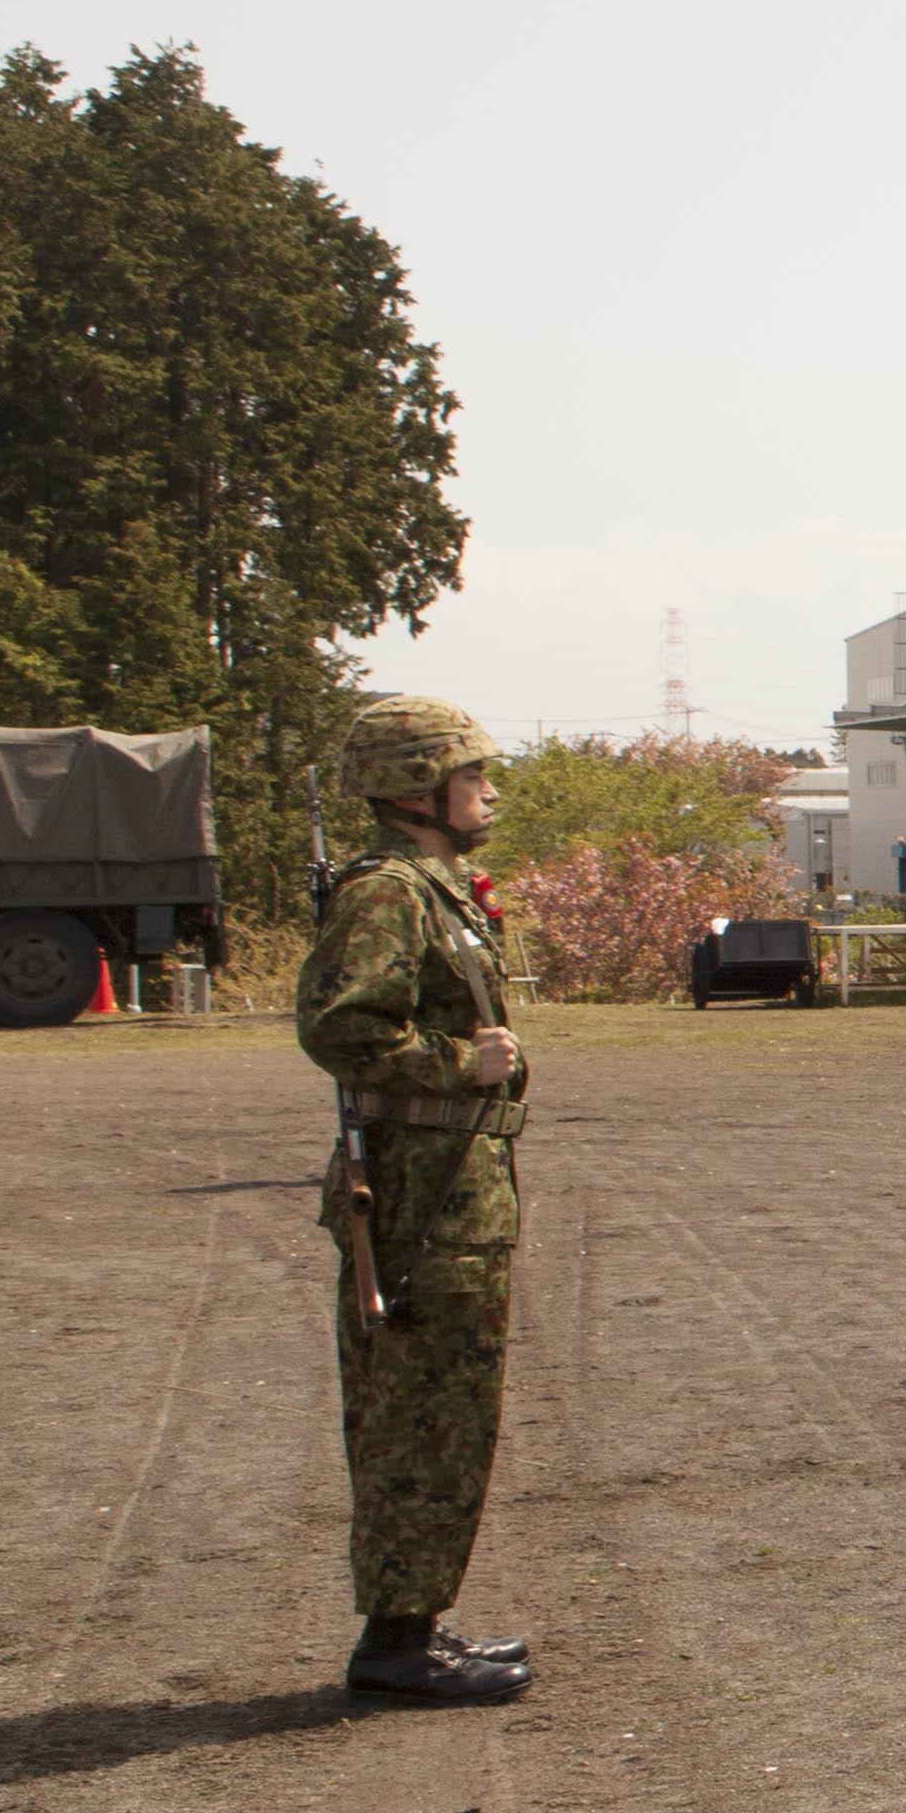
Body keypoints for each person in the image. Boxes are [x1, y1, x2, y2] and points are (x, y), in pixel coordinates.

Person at [298, 696, 539, 1706]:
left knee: (449, 1411)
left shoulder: (435, 890)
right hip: (419, 1201)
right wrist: (459, 1060)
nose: (486, 789)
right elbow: (340, 1028)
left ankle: (415, 1622)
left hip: (454, 1194)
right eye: (470, 773)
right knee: (419, 1419)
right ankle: (397, 1643)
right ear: (416, 790)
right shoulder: (389, 893)